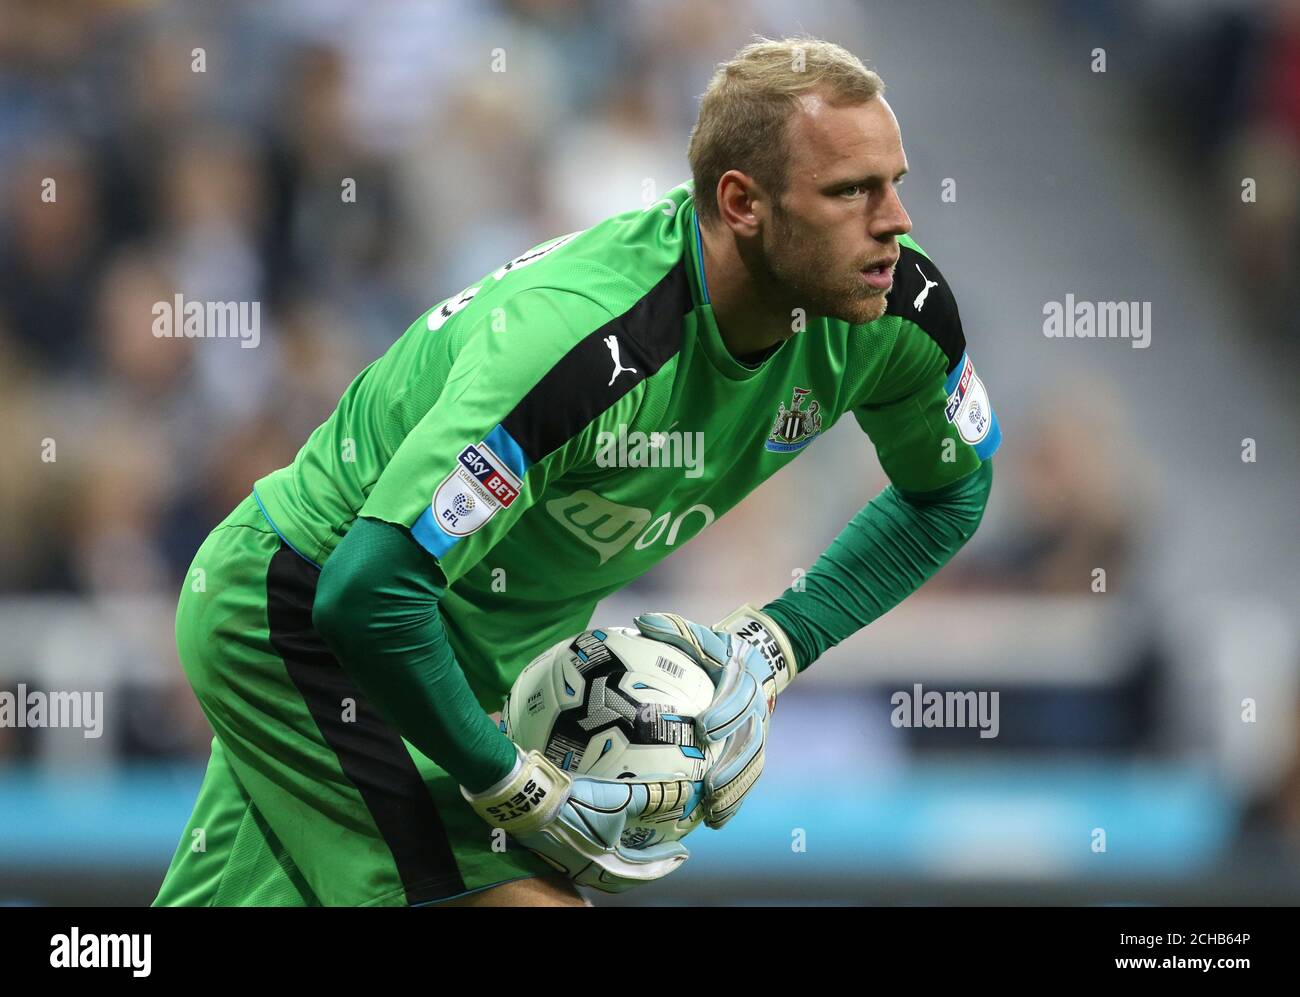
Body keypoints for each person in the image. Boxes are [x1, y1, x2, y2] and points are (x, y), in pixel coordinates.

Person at [154, 36, 999, 907]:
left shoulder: (896, 306)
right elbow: (367, 589)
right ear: (742, 202)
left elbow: (952, 489)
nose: (895, 219)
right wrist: (510, 783)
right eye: (849, 191)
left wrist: (778, 643)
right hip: (306, 623)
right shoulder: (586, 348)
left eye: (893, 181)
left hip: (444, 667)